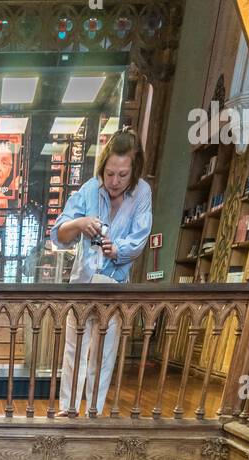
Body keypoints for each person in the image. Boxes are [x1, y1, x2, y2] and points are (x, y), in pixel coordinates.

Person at [51, 130, 153, 416]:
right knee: (74, 349)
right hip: (83, 282)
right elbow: (59, 234)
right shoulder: (89, 190)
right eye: (109, 173)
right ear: (103, 167)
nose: (114, 181)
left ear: (134, 171)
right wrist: (81, 223)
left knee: (104, 353)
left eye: (122, 175)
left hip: (115, 285)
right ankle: (68, 409)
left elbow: (140, 238)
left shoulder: (143, 192)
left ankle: (93, 411)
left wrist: (116, 249)